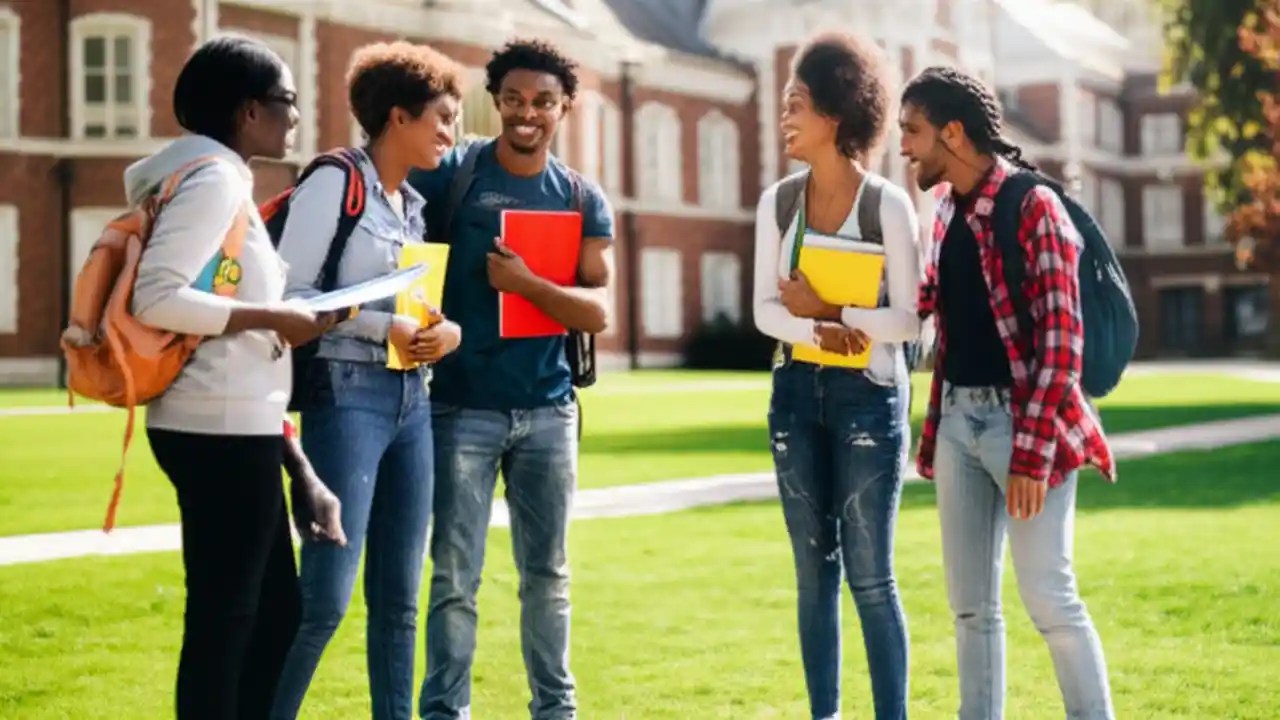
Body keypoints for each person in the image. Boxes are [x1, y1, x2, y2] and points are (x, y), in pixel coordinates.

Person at [128, 36, 340, 720]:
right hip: (212, 427)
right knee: (229, 623)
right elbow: (156, 296)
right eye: (287, 101)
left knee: (272, 615)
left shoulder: (208, 176)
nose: (297, 117)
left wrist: (295, 464)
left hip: (231, 424)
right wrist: (274, 316)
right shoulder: (216, 178)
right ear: (250, 110)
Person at [898, 65, 1117, 720]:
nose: (904, 146)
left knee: (1050, 598)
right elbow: (924, 308)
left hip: (1027, 429)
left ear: (954, 133)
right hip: (959, 422)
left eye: (913, 131)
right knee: (971, 607)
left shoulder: (1034, 206)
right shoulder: (943, 213)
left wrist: (1031, 455)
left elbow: (1062, 343)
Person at [408, 38, 613, 720]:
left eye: (545, 102)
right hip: (460, 408)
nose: (529, 114)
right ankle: (444, 712)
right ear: (495, 102)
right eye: (516, 100)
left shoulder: (582, 195)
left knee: (548, 578)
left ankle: (555, 711)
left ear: (565, 108)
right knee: (454, 581)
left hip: (549, 414)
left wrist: (526, 283)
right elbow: (407, 253)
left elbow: (597, 308)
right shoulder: (455, 176)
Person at [269, 42, 464, 720]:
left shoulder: (410, 204)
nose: (450, 134)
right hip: (344, 396)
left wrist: (446, 332)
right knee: (324, 597)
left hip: (413, 400)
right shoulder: (335, 180)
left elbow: (408, 306)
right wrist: (383, 329)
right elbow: (293, 297)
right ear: (398, 116)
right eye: (442, 118)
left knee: (400, 600)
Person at [752, 32, 920, 720]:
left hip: (869, 401)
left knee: (872, 578)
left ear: (837, 113)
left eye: (796, 103)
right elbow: (767, 311)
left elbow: (909, 321)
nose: (784, 116)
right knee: (812, 578)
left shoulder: (887, 206)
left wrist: (833, 308)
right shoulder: (779, 202)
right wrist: (818, 329)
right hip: (796, 395)